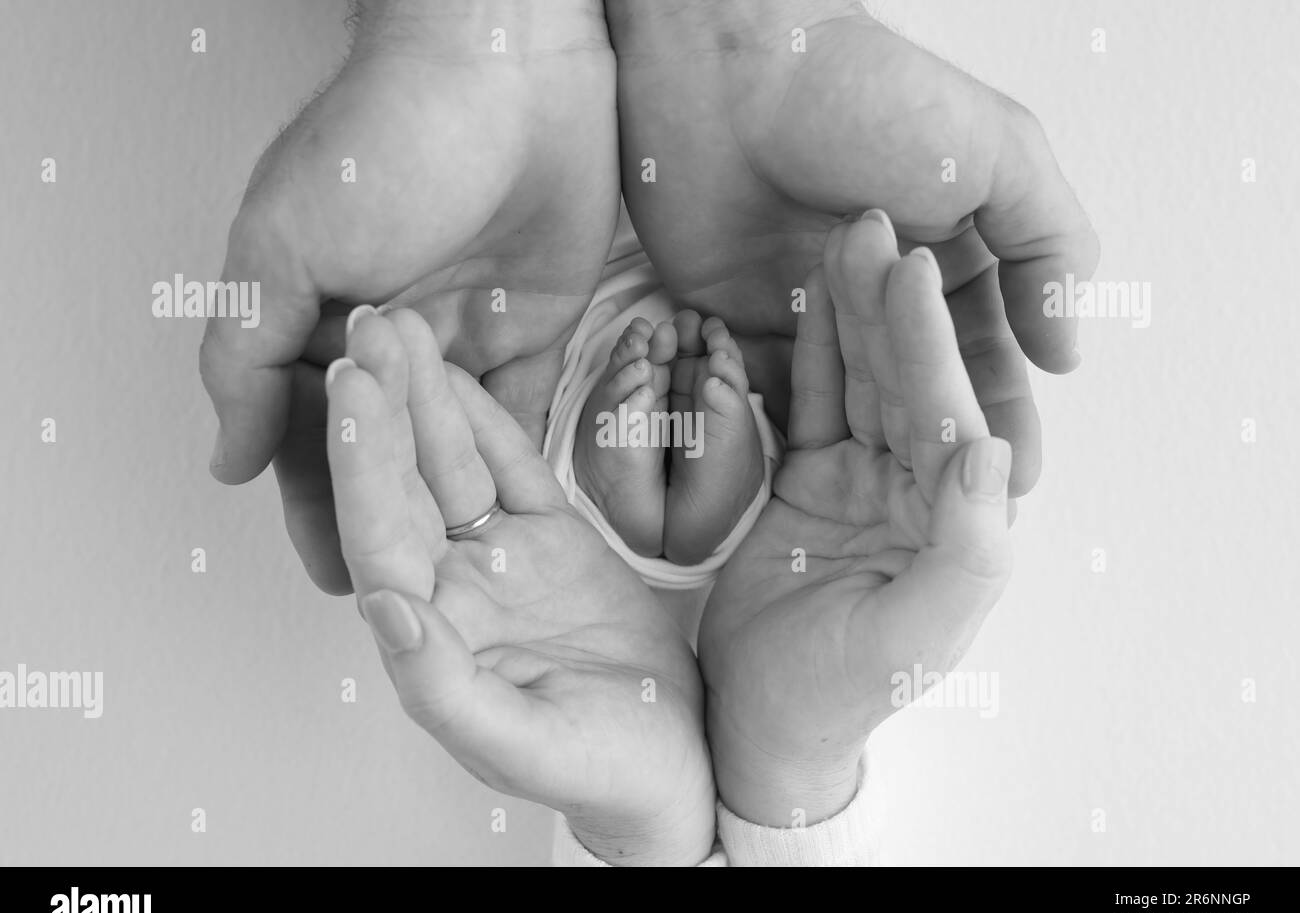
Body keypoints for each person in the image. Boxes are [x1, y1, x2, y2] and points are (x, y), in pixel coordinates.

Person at [201, 0, 1097, 596]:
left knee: (519, 464)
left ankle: (651, 493)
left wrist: (476, 36)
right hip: (606, 291)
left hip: (552, 320)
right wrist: (742, 30)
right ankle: (671, 494)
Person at [324, 210, 1013, 865]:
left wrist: (656, 829)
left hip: (606, 556)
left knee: (553, 471)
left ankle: (669, 500)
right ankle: (699, 504)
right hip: (728, 558)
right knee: (580, 478)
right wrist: (783, 768)